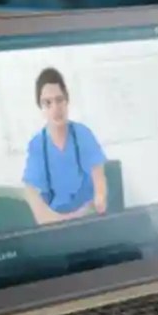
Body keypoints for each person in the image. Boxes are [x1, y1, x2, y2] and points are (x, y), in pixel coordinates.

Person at [22, 67, 109, 225]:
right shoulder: (36, 146)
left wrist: (95, 206)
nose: (56, 108)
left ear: (67, 100)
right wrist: (63, 221)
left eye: (59, 100)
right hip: (54, 228)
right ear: (40, 107)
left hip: (88, 222)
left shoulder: (84, 135)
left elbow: (100, 190)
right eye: (48, 103)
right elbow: (38, 209)